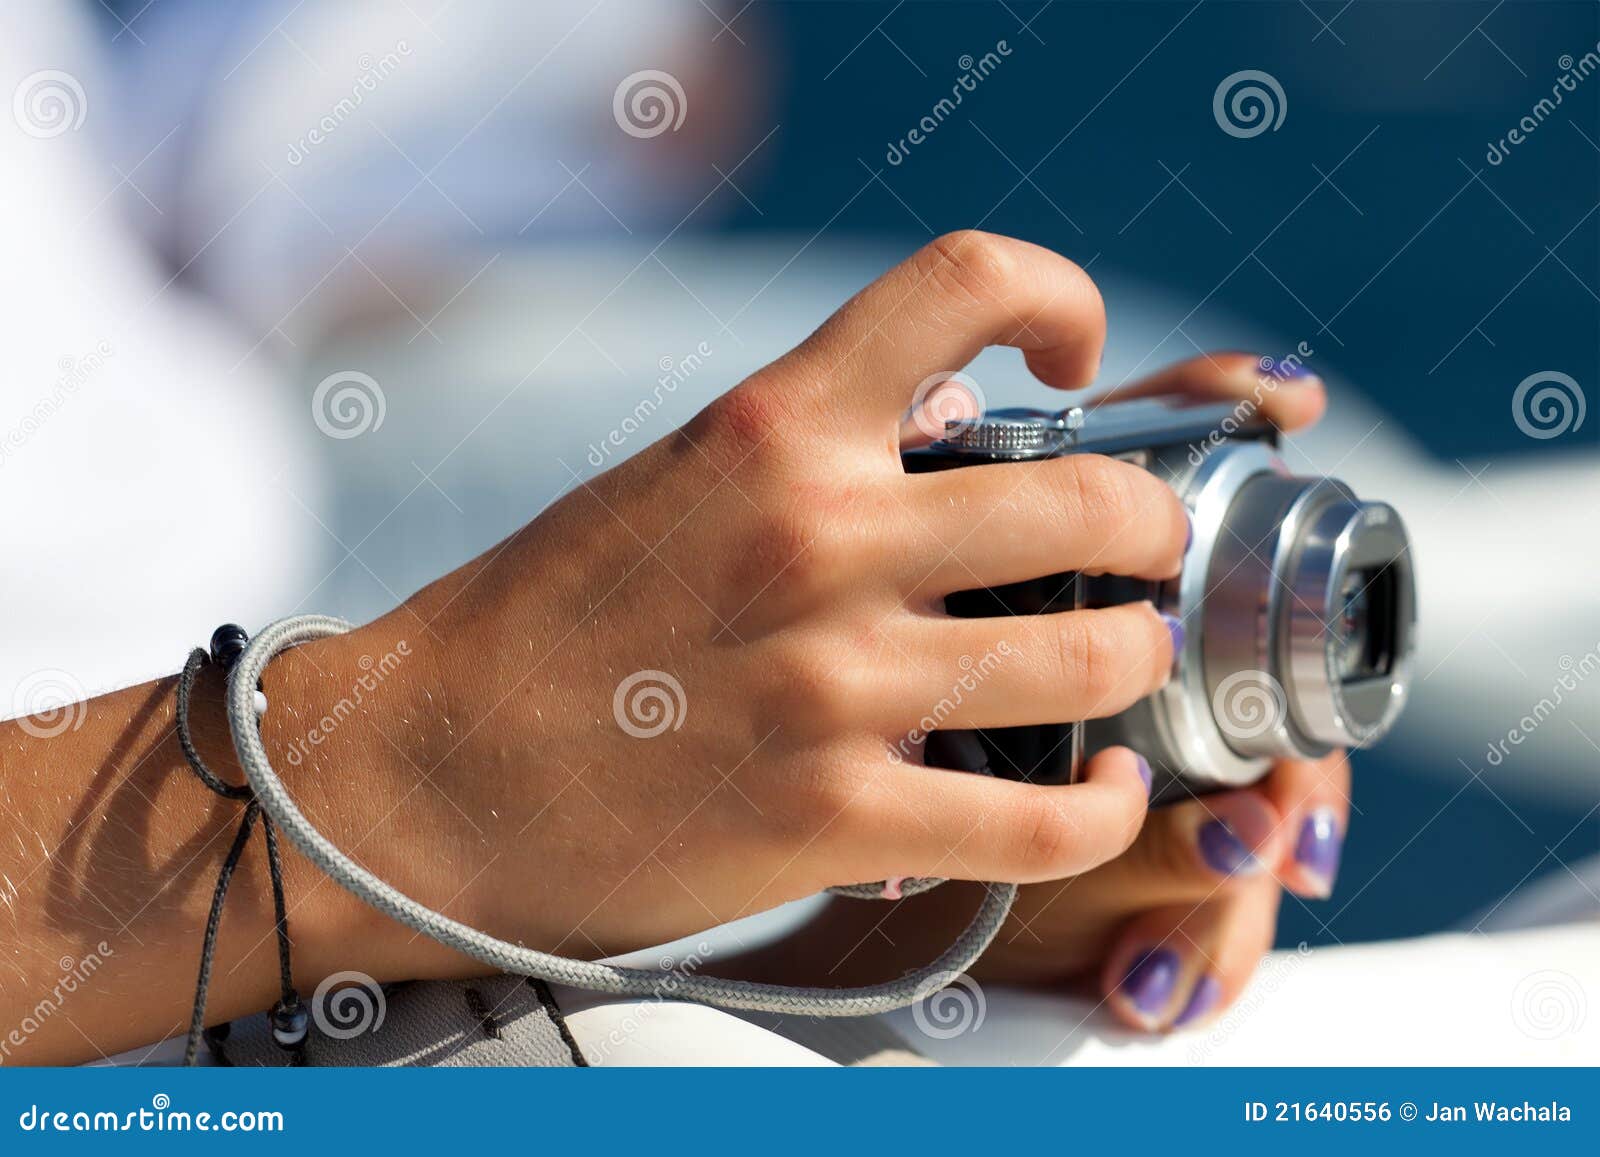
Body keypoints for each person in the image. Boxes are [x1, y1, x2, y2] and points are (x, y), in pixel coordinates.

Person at [0, 231, 1349, 1065]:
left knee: (1201, 427)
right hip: (241, 737)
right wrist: (399, 769)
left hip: (248, 443)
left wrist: (890, 950)